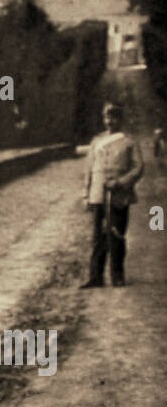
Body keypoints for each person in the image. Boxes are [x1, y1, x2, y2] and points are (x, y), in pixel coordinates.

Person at [79, 101, 144, 288]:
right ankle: (95, 276)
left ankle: (117, 275)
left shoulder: (129, 142)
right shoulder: (96, 142)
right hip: (98, 194)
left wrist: (120, 183)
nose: (109, 121)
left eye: (114, 117)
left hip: (119, 196)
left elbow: (138, 168)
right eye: (107, 117)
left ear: (120, 119)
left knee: (116, 234)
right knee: (97, 237)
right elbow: (89, 169)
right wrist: (86, 193)